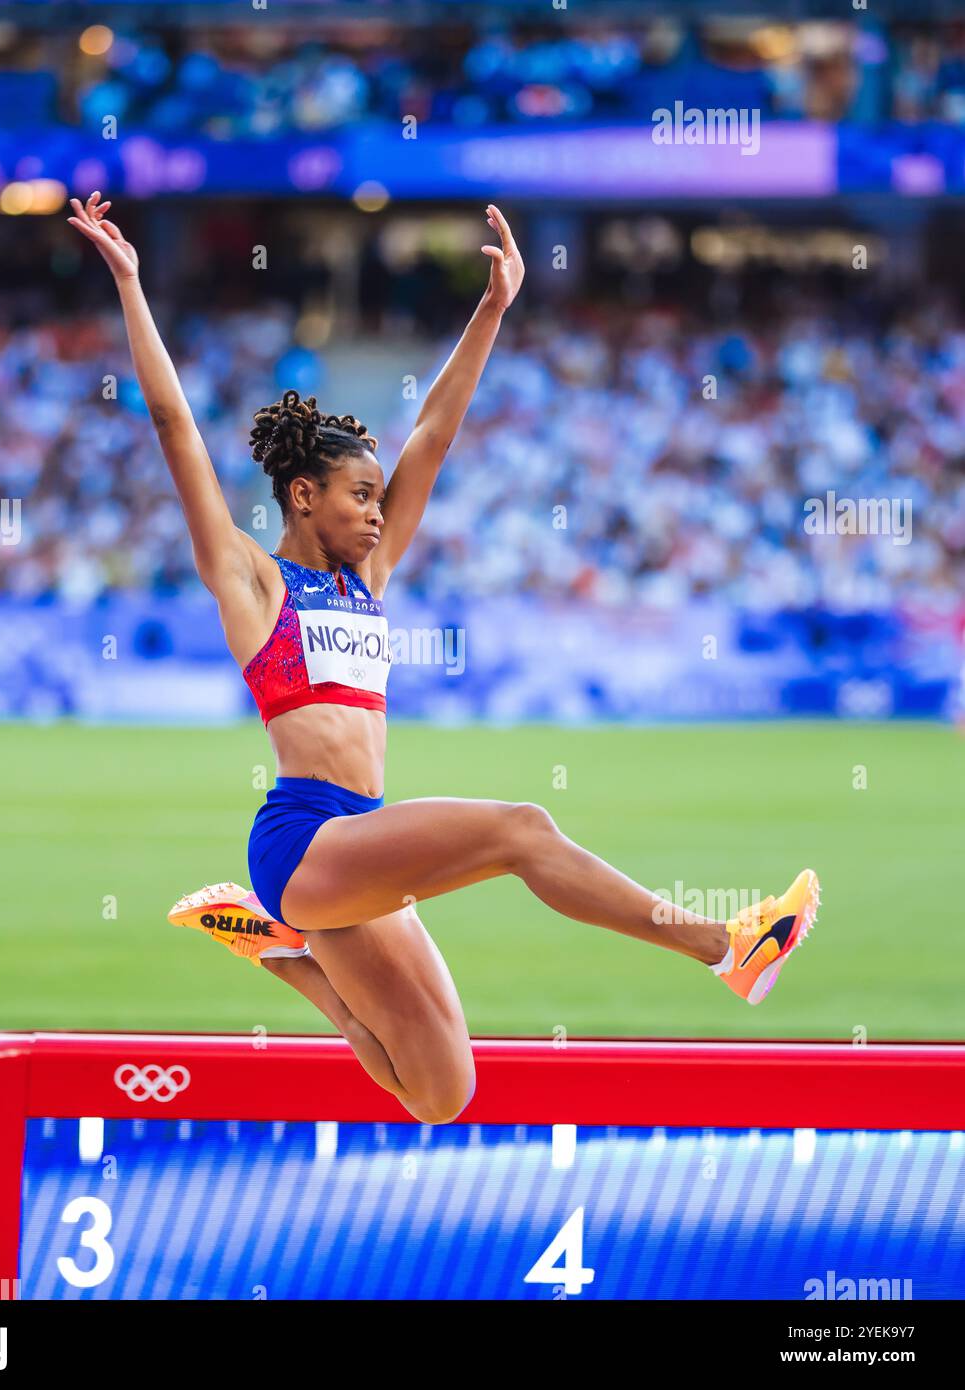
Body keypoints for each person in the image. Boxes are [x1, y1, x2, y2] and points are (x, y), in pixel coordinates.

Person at [67, 191, 820, 1127]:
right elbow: (174, 428)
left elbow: (434, 433)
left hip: (359, 841)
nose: (377, 512)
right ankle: (723, 948)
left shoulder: (366, 577)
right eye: (358, 496)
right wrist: (131, 283)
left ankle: (284, 956)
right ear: (301, 496)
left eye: (379, 498)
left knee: (439, 1093)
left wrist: (493, 307)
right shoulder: (252, 583)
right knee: (521, 830)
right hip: (305, 841)